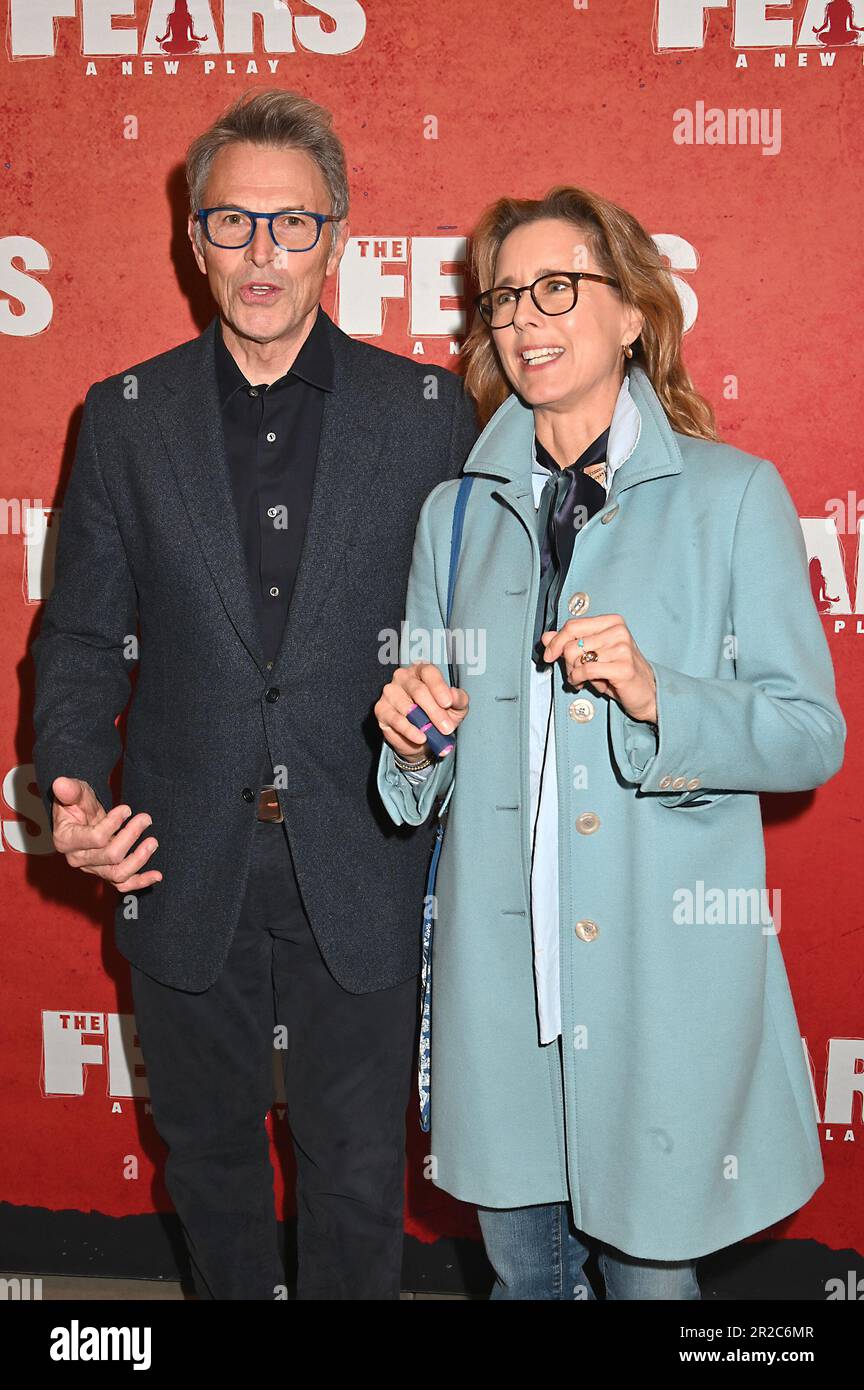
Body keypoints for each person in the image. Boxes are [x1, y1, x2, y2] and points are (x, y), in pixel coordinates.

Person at [31, 89, 478, 1301]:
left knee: (352, 1172)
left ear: (338, 234)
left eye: (294, 224)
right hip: (177, 849)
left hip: (367, 844)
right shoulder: (123, 420)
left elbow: (472, 629)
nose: (264, 254)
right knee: (213, 1161)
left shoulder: (430, 414)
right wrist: (68, 783)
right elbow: (78, 634)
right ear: (194, 237)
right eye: (235, 222)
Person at [374, 185, 845, 1300]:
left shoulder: (735, 499)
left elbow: (807, 733)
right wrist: (411, 743)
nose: (526, 318)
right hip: (505, 987)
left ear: (632, 311)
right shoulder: (451, 515)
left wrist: (656, 695)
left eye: (558, 287)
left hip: (657, 980)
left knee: (649, 1283)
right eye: (504, 299)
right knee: (525, 1279)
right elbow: (421, 779)